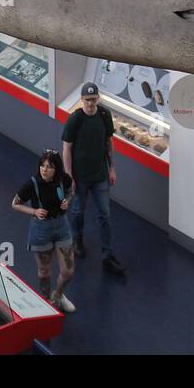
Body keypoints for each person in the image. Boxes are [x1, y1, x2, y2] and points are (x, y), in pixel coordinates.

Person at [62, 83, 126, 276]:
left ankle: (107, 255)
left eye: (93, 99)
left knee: (104, 215)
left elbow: (108, 142)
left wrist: (112, 168)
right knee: (77, 211)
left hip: (100, 176)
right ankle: (77, 239)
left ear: (98, 99)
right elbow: (66, 148)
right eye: (87, 100)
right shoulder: (75, 119)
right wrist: (68, 176)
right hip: (80, 177)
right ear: (82, 100)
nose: (90, 103)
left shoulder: (104, 115)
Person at [11, 150, 76, 312]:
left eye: (49, 167)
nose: (44, 170)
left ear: (57, 169)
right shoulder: (32, 184)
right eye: (42, 166)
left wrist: (67, 201)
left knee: (68, 271)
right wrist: (34, 211)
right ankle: (46, 301)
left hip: (61, 226)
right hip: (41, 230)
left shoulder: (63, 179)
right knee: (44, 270)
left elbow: (71, 189)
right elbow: (14, 203)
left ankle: (58, 295)